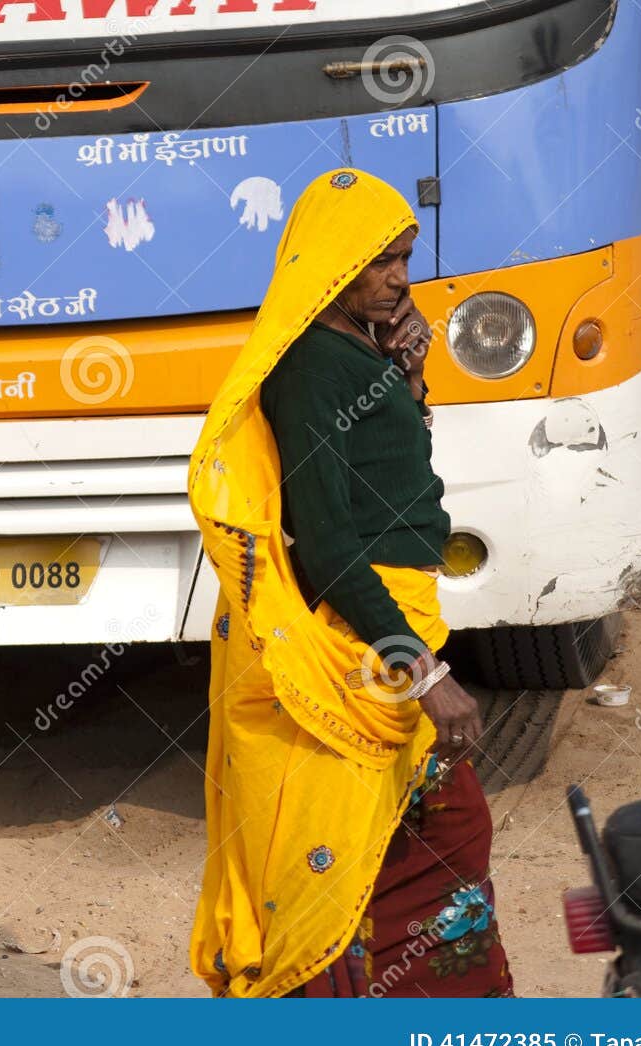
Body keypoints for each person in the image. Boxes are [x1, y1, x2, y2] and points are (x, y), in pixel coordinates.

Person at [187, 168, 512, 998]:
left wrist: (407, 380)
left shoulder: (358, 349)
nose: (398, 278)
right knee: (333, 870)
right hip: (362, 644)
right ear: (332, 262)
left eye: (404, 257)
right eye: (379, 262)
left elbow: (388, 480)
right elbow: (330, 541)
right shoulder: (309, 368)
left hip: (400, 620)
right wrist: (426, 674)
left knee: (436, 836)